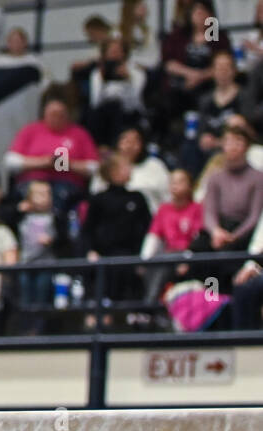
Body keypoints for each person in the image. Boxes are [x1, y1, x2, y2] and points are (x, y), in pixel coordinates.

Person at [188, 125, 263, 287]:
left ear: (247, 146)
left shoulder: (258, 177)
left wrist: (234, 236)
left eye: (238, 141)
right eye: (228, 141)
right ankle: (211, 298)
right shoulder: (215, 177)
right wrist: (216, 231)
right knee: (202, 251)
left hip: (243, 231)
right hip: (219, 229)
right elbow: (209, 211)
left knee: (236, 255)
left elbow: (255, 215)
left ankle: (233, 297)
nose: (233, 146)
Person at [5, 90, 100, 211]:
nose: (56, 118)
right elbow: (11, 161)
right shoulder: (30, 130)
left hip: (67, 182)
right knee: (36, 196)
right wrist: (45, 162)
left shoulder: (79, 134)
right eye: (53, 114)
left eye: (60, 114)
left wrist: (69, 164)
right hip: (32, 180)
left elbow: (95, 167)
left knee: (61, 197)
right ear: (44, 114)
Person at [80, 154, 153, 302]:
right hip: (104, 257)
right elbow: (88, 230)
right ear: (113, 172)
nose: (130, 170)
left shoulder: (137, 198)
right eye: (125, 167)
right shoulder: (99, 199)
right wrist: (90, 251)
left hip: (131, 256)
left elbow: (148, 229)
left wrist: (143, 256)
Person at [139, 168, 202, 303]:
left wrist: (187, 259)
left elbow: (200, 237)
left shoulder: (198, 208)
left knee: (163, 262)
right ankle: (150, 306)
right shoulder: (164, 209)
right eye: (172, 182)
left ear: (190, 186)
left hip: (191, 256)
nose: (175, 185)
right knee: (155, 263)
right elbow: (153, 235)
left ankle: (148, 305)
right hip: (168, 256)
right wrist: (143, 260)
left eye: (180, 181)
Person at [179, 50, 242, 179]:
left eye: (226, 68)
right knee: (189, 148)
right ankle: (192, 190)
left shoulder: (244, 96)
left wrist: (221, 142)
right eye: (219, 68)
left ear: (234, 70)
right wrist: (202, 138)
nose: (223, 72)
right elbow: (201, 128)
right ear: (213, 72)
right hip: (211, 145)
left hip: (235, 146)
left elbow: (248, 130)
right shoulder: (205, 99)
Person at [82, 36, 146, 148]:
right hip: (103, 113)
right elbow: (95, 102)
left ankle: (116, 146)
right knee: (91, 113)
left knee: (116, 108)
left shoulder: (136, 73)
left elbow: (134, 103)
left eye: (118, 51)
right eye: (111, 52)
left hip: (128, 113)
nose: (114, 55)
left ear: (124, 53)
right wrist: (102, 80)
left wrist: (128, 80)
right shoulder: (97, 74)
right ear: (105, 54)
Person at [16, 180, 70, 309]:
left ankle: (39, 325)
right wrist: (17, 210)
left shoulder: (55, 217)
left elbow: (64, 238)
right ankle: (25, 322)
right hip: (25, 262)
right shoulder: (22, 216)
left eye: (47, 194)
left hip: (46, 263)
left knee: (42, 289)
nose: (44, 198)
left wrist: (52, 240)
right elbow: (8, 222)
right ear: (29, 197)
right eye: (39, 194)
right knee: (24, 289)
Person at [91, 125, 169, 214]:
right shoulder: (107, 165)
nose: (130, 146)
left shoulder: (155, 165)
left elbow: (168, 197)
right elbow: (96, 194)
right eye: (126, 141)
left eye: (135, 141)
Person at [118, 0, 159, 70]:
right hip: (126, 69)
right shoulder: (118, 32)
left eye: (144, 6)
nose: (144, 9)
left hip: (147, 69)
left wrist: (145, 66)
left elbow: (155, 55)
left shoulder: (148, 32)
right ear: (130, 9)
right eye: (140, 6)